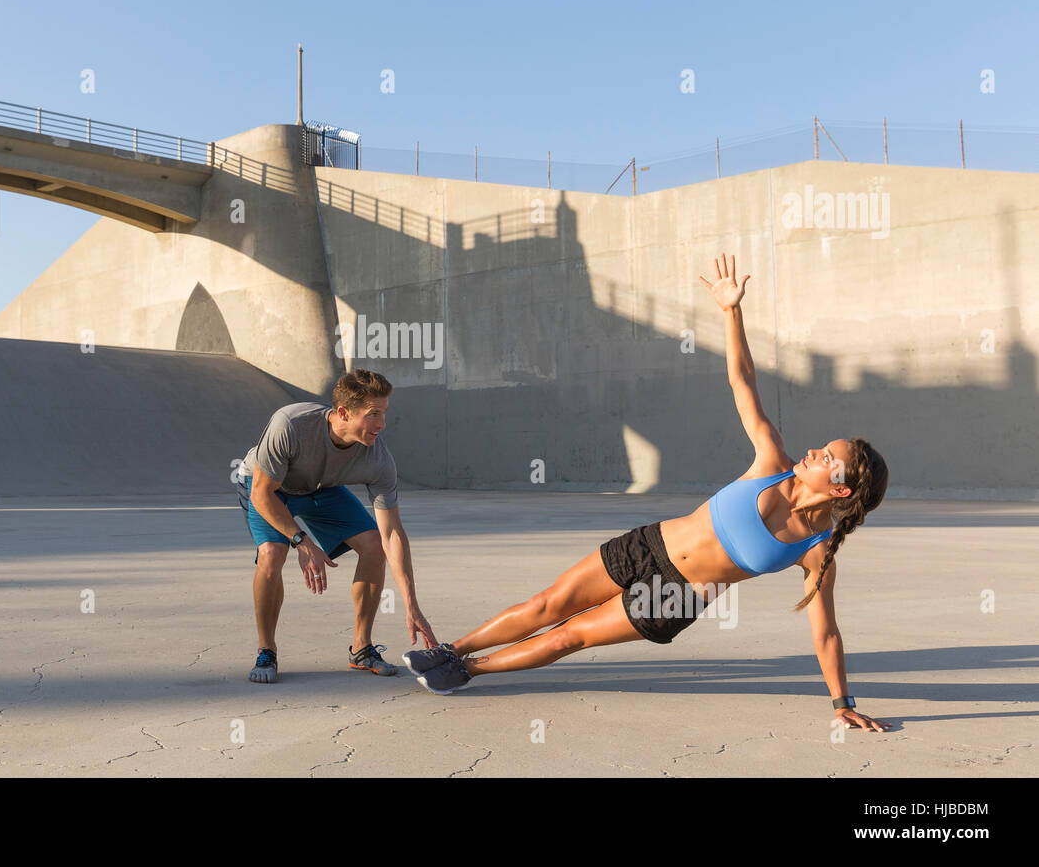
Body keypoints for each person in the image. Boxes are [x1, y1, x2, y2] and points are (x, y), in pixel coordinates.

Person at [405, 254, 891, 733]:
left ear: (841, 487)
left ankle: (467, 672)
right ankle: (452, 650)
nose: (815, 452)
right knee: (546, 605)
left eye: (828, 458)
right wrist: (731, 311)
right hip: (647, 545)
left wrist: (841, 702)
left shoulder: (816, 549)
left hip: (675, 597)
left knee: (568, 638)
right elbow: (741, 382)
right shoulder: (771, 461)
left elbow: (825, 631)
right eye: (824, 447)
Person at [236, 369, 437, 683]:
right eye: (374, 415)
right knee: (272, 554)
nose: (382, 425)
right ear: (343, 412)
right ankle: (267, 650)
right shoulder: (290, 425)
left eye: (384, 413)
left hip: (321, 488)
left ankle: (361, 648)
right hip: (268, 486)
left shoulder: (378, 457)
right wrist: (302, 542)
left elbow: (391, 533)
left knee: (373, 546)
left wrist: (411, 603)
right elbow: (262, 493)